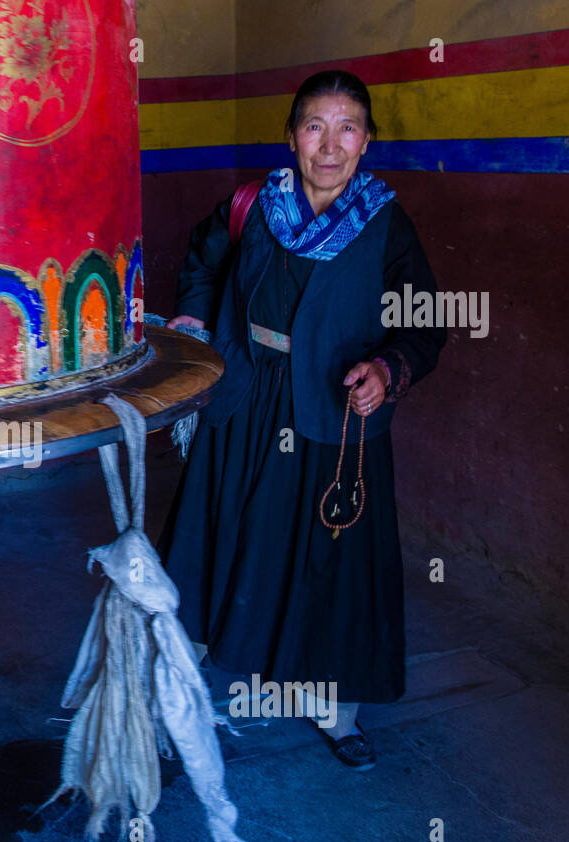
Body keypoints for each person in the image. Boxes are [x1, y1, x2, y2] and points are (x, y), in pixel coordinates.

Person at [158, 70, 446, 770]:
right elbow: (203, 258)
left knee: (334, 557)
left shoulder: (384, 221)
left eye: (347, 127)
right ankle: (187, 675)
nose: (329, 144)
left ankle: (336, 709)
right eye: (315, 126)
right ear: (292, 137)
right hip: (247, 397)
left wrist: (387, 369)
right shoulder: (256, 204)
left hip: (336, 413)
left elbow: (423, 320)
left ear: (366, 141)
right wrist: (198, 324)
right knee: (224, 532)